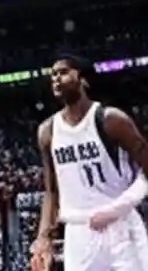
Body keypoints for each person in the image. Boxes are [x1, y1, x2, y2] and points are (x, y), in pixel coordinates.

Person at [31, 54, 148, 271]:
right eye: (53, 74)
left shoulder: (111, 120)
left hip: (121, 227)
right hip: (79, 233)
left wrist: (118, 207)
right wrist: (43, 238)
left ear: (83, 79)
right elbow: (52, 191)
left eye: (63, 72)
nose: (56, 78)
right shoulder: (47, 131)